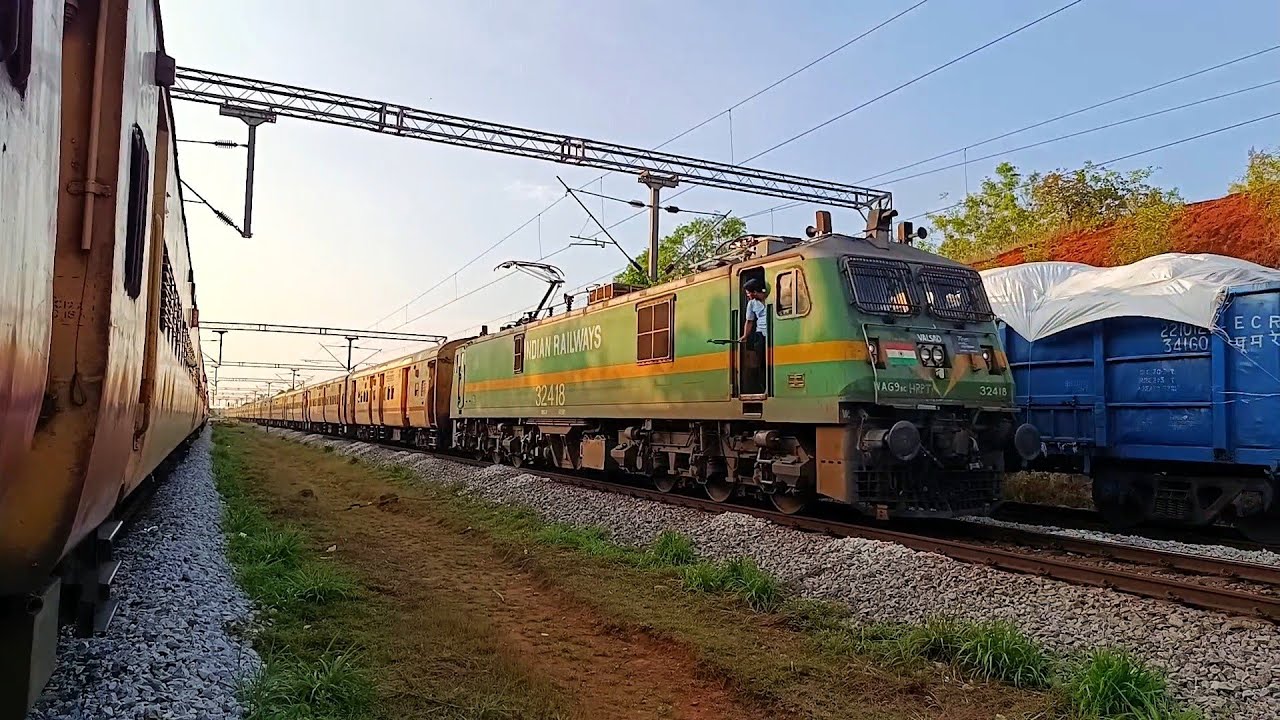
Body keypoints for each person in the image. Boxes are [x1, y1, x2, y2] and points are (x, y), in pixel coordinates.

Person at [739, 278, 769, 394]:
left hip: (773, 333)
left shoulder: (771, 298)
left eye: (748, 293)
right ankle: (764, 387)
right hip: (761, 334)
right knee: (761, 362)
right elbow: (749, 321)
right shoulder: (751, 304)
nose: (748, 296)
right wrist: (745, 335)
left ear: (754, 292)